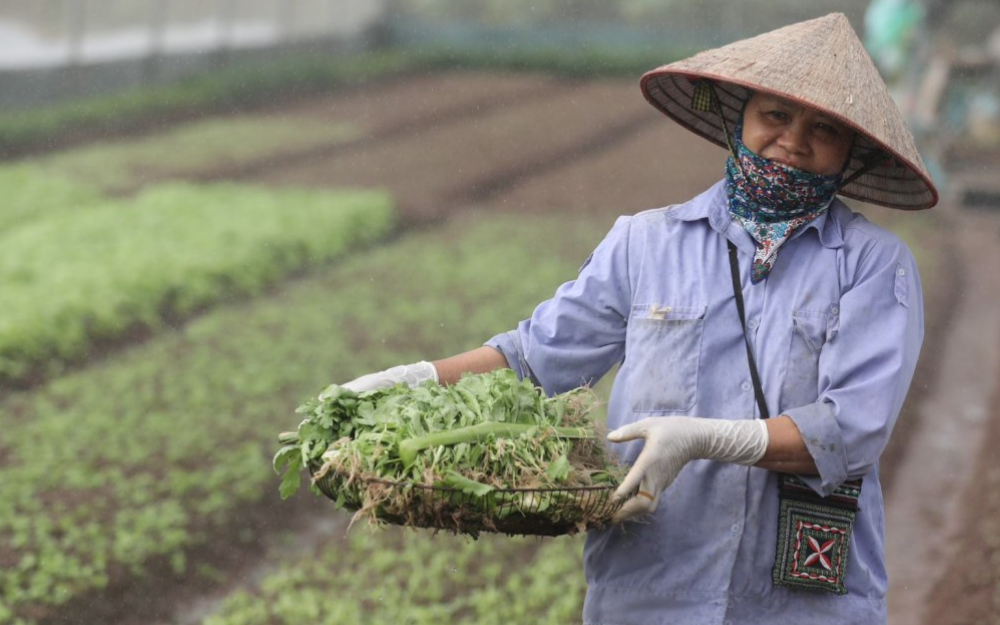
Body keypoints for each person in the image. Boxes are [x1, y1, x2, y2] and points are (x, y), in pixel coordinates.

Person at [333, 13, 938, 625]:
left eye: (824, 128)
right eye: (775, 115)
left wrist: (705, 438)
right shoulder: (645, 244)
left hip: (800, 603)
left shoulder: (873, 267)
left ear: (852, 154)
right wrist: (414, 380)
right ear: (740, 117)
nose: (793, 140)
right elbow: (533, 361)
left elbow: (853, 428)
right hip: (650, 590)